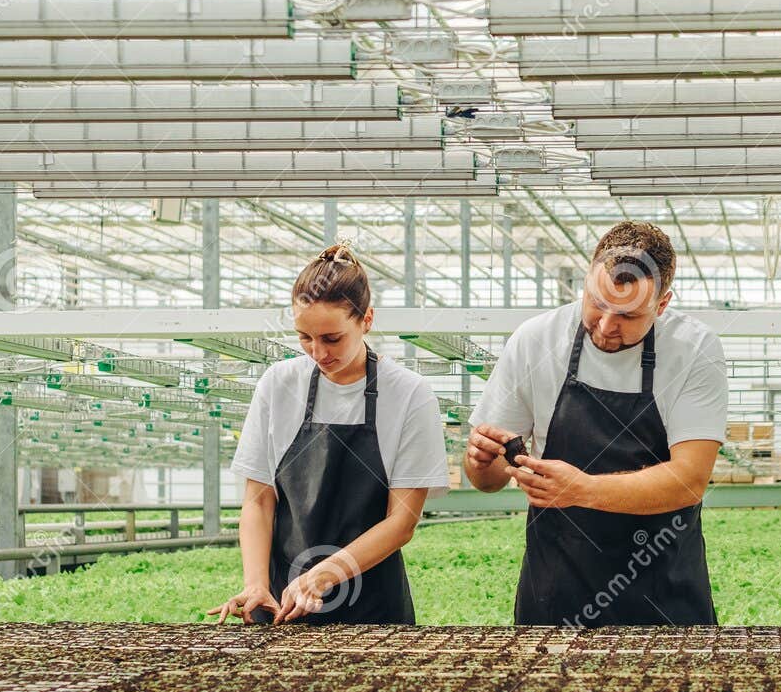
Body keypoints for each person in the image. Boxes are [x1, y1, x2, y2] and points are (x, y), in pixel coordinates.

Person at [463, 221, 726, 627]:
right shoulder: (536, 340)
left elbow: (690, 479)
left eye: (627, 315)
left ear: (662, 304)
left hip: (664, 596)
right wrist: (482, 464)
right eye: (596, 302)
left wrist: (582, 489)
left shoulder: (693, 349)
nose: (605, 326)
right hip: (556, 596)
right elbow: (489, 479)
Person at [212, 243, 449, 625]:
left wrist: (324, 574)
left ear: (367, 320)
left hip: (373, 609)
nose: (317, 352)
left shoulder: (408, 393)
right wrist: (256, 583)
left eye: (332, 339)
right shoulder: (278, 385)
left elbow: (402, 521)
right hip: (282, 606)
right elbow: (258, 501)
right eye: (304, 337)